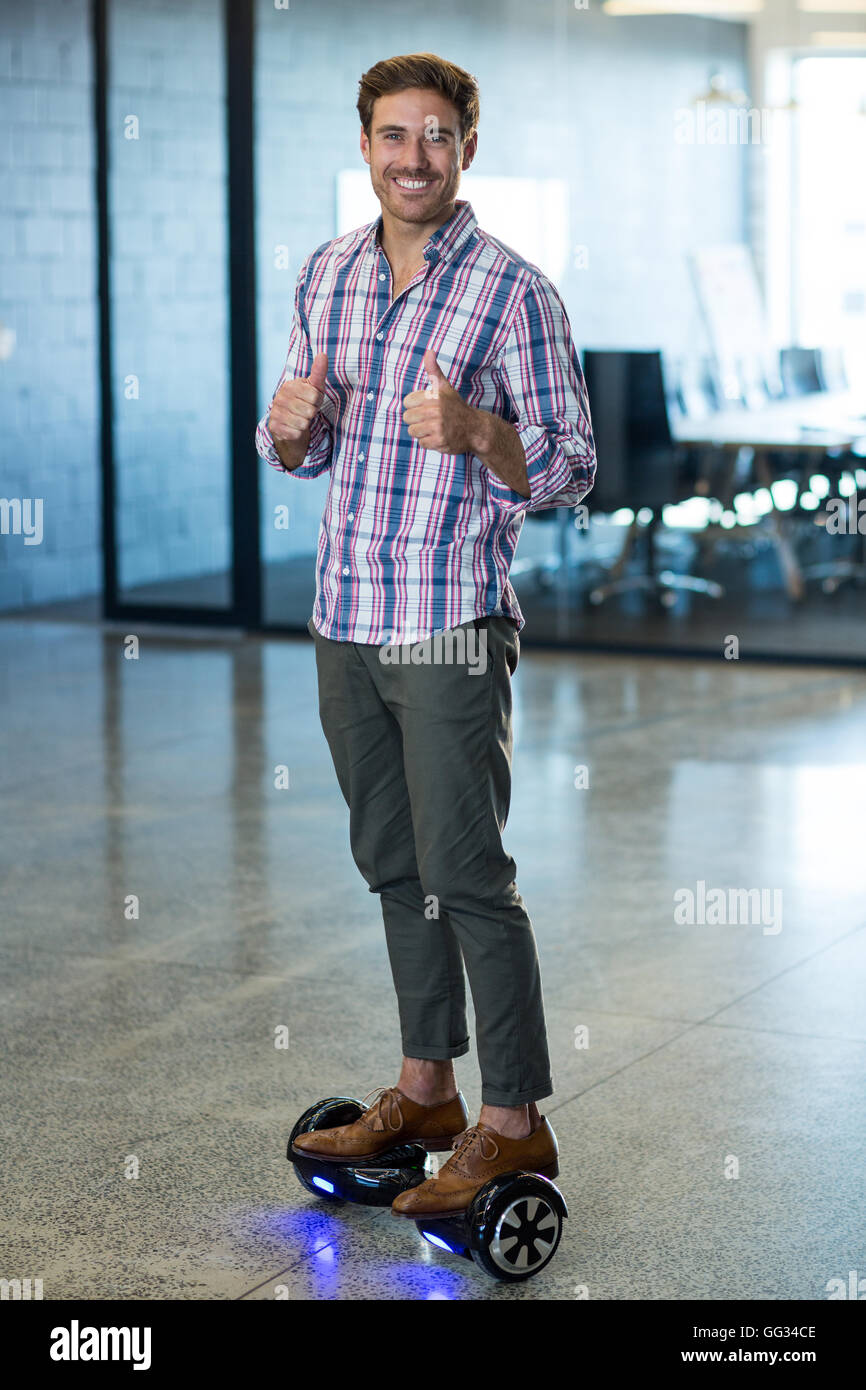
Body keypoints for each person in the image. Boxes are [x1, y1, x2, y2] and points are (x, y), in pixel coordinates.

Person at [255, 52, 596, 1219]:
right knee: (394, 867)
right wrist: (289, 428)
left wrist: (479, 429)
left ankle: (512, 1121)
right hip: (343, 612)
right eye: (393, 135)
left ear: (465, 148)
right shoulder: (328, 274)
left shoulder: (514, 291)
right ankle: (426, 1090)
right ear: (363, 146)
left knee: (466, 874)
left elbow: (570, 464)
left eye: (435, 136)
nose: (413, 156)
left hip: (449, 617)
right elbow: (303, 446)